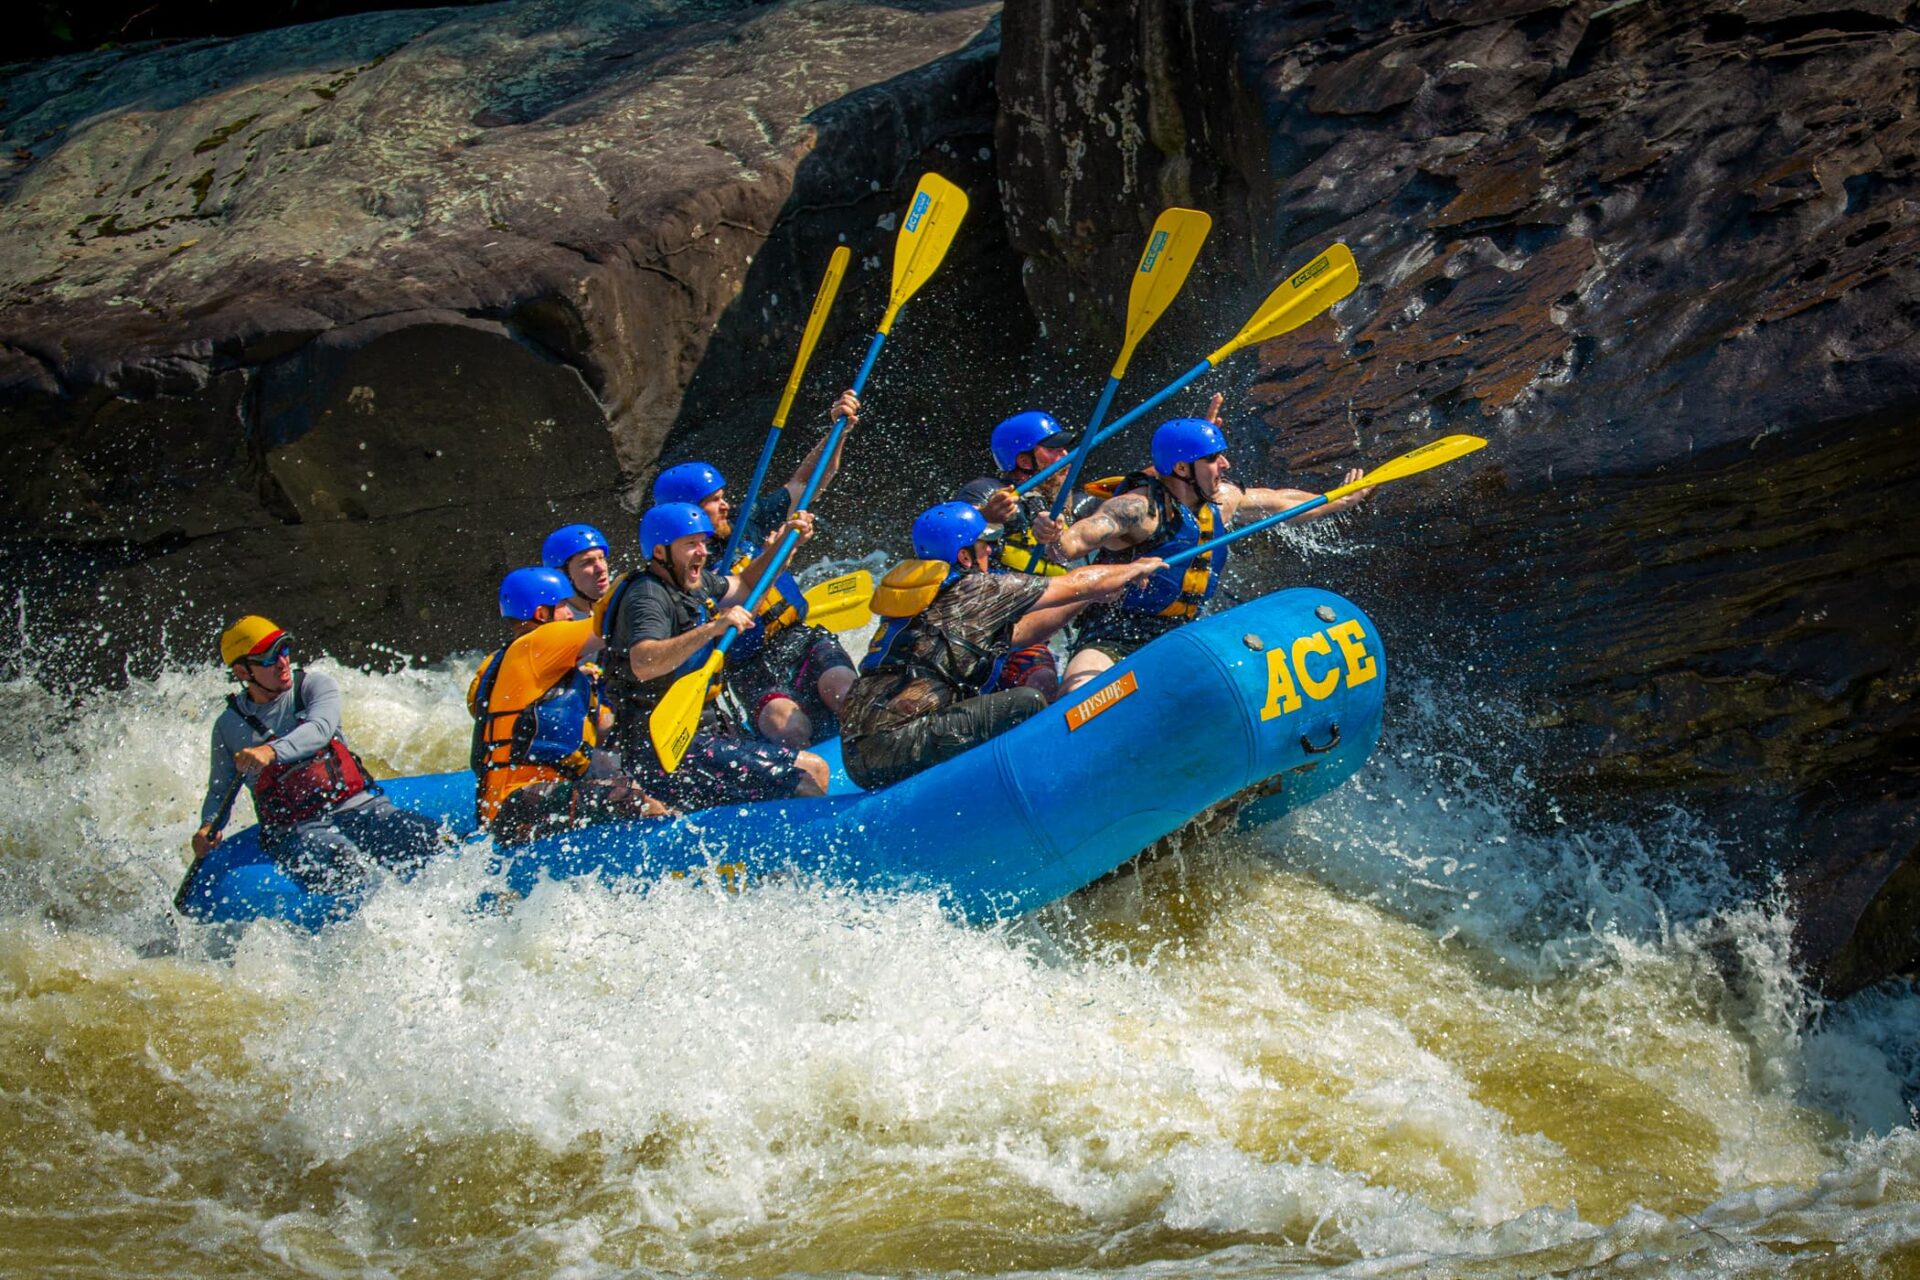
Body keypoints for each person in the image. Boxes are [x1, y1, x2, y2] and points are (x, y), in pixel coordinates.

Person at [1033, 397, 1372, 697]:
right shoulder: (1139, 508)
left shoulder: (1222, 500)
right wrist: (1053, 536)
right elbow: (1075, 541)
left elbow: (1283, 501)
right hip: (1114, 636)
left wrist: (1337, 501)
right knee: (1075, 695)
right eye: (1212, 458)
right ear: (1182, 468)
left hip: (1181, 639)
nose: (1225, 465)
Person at [837, 501, 1164, 790]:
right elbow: (1073, 583)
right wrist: (1134, 568)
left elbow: (1021, 633)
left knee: (995, 704)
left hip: (860, 755)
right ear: (963, 556)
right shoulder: (975, 588)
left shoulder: (923, 599)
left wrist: (1091, 597)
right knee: (1026, 702)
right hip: (898, 743)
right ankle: (1051, 786)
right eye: (985, 544)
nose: (991, 551)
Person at [648, 388, 862, 748]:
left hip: (798, 639)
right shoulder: (678, 573)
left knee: (845, 691)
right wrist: (775, 553)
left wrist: (837, 430)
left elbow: (806, 483)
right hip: (747, 667)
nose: (727, 505)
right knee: (787, 728)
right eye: (714, 502)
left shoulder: (745, 524)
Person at [600, 501, 833, 809]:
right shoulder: (647, 597)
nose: (702, 552)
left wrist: (784, 547)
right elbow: (643, 662)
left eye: (702, 543)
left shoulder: (690, 582)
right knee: (809, 772)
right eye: (690, 545)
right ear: (660, 552)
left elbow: (749, 588)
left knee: (814, 767)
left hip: (701, 733)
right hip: (665, 747)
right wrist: (712, 629)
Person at [191, 616, 444, 894]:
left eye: (283, 650)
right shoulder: (228, 726)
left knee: (425, 837)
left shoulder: (314, 687)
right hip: (295, 831)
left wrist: (270, 751)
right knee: (347, 864)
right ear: (242, 672)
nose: (282, 662)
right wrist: (207, 827)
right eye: (267, 658)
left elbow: (320, 730)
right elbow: (219, 791)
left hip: (359, 808)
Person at [468, 568, 671, 846]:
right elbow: (611, 622)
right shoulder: (539, 641)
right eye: (563, 606)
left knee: (628, 780)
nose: (570, 615)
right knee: (632, 796)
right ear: (541, 614)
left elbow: (599, 730)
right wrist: (645, 589)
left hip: (501, 811)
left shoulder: (500, 665)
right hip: (524, 801)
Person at [951, 410, 1103, 699]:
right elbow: (951, 532)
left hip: (1035, 630)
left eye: (1064, 447)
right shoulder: (988, 493)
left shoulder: (1069, 507)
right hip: (992, 629)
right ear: (1024, 460)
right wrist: (986, 517)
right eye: (1053, 449)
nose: (1066, 455)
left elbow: (1130, 495)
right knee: (1043, 682)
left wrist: (1179, 465)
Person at [541, 523, 613, 618]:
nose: (601, 569)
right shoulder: (555, 625)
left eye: (602, 558)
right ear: (560, 575)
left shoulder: (625, 603)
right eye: (587, 562)